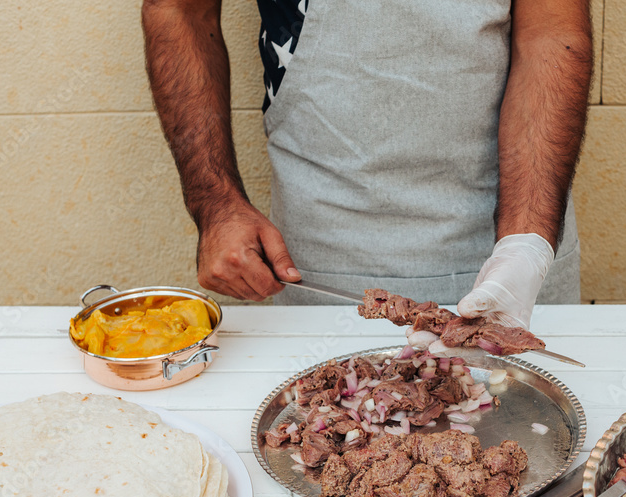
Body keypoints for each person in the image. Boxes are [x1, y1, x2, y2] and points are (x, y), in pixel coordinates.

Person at [142, 0, 591, 330]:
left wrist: (525, 246)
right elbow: (179, 10)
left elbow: (549, 35)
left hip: (513, 246)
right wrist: (217, 203)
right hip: (324, 255)